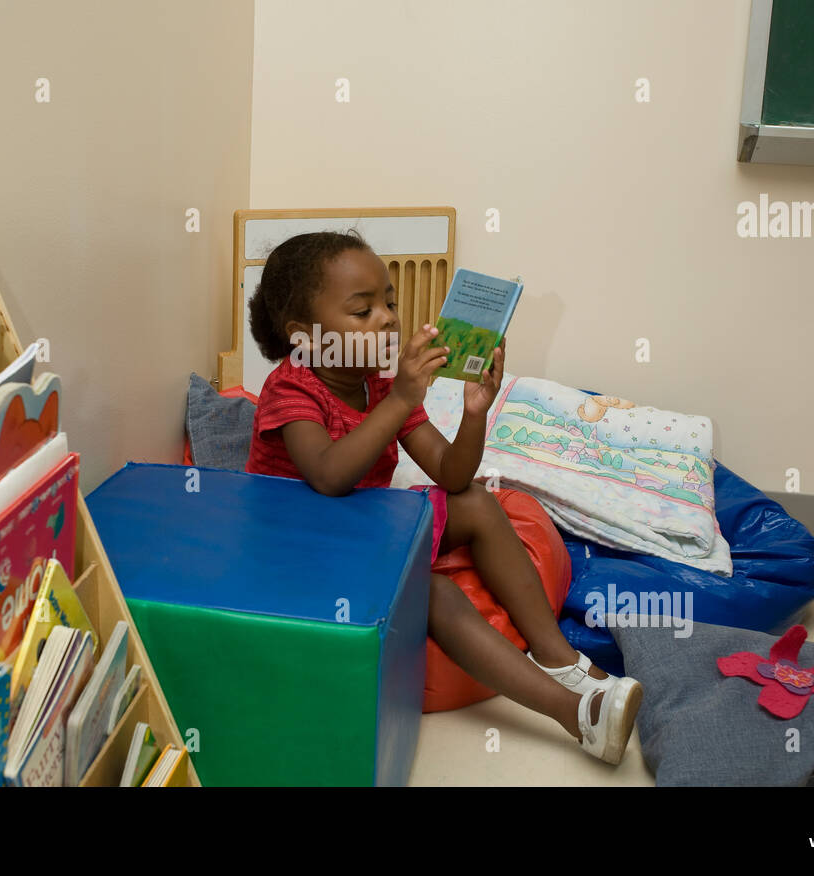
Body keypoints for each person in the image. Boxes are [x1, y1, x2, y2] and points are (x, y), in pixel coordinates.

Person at [245, 230, 641, 764]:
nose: (387, 318)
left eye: (389, 302)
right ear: (305, 337)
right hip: (305, 554)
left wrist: (475, 411)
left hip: (367, 528)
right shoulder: (291, 390)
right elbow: (329, 475)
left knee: (477, 500)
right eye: (362, 312)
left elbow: (452, 474)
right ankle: (574, 716)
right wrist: (405, 396)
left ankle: (556, 656)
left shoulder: (381, 382)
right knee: (437, 596)